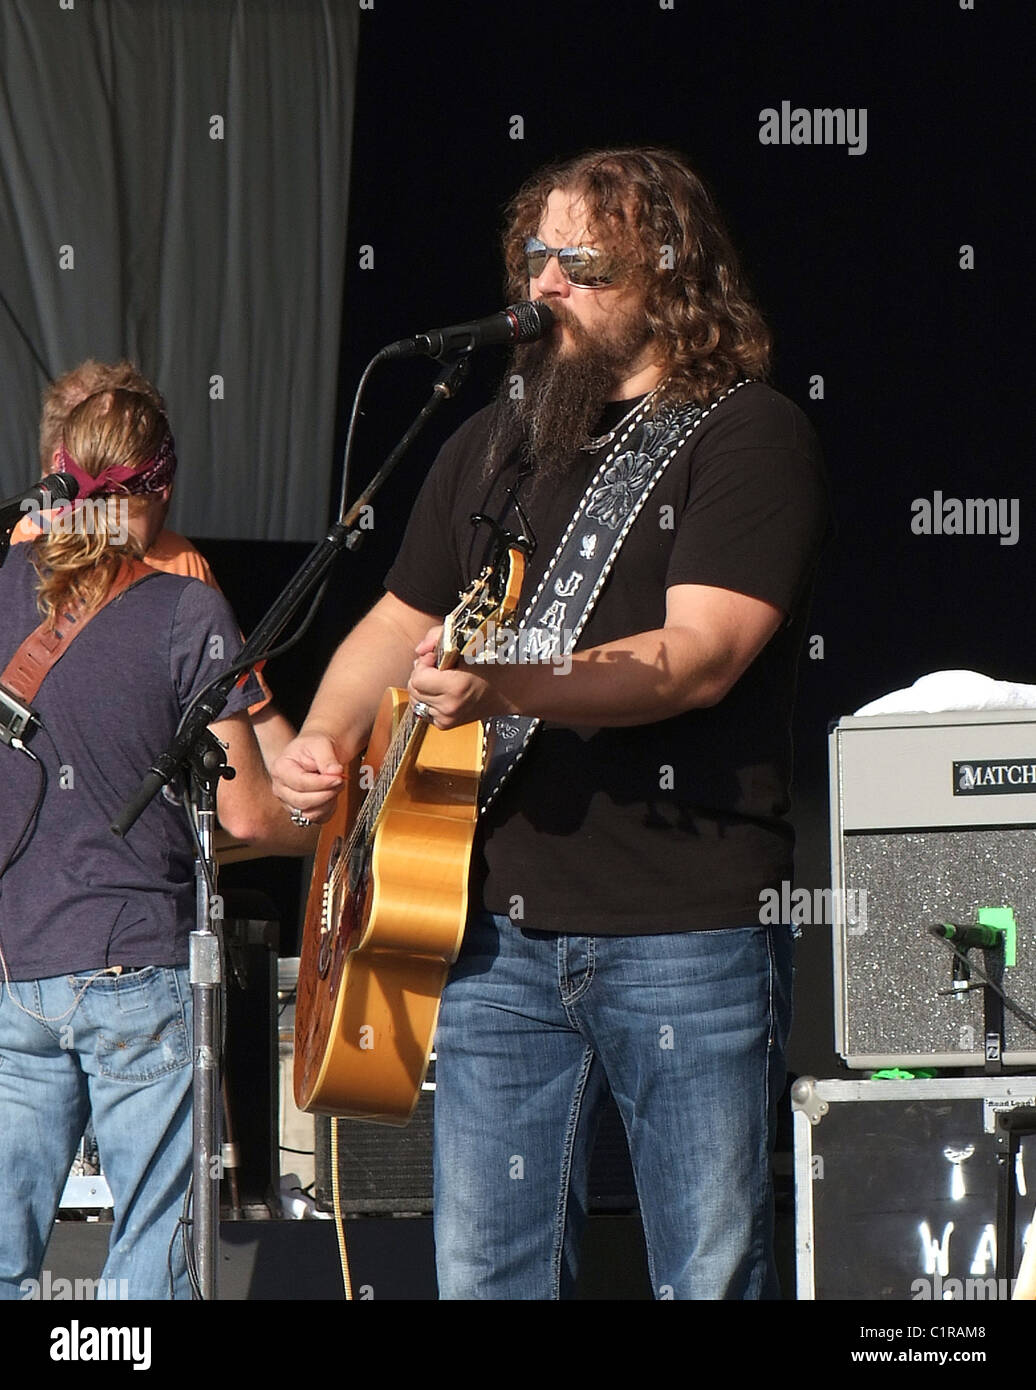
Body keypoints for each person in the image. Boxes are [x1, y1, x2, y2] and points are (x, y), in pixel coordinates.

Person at [271, 146, 829, 1299]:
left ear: (671, 281)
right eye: (537, 257)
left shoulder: (745, 434)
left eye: (585, 265)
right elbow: (397, 614)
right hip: (483, 935)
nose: (547, 286)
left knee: (706, 1271)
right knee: (486, 1274)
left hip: (682, 928)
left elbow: (694, 658)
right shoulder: (495, 442)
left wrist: (510, 683)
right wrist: (321, 735)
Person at [0, 387, 316, 1300]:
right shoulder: (187, 611)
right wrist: (338, 830)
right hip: (138, 965)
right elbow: (250, 814)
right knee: (154, 1252)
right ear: (161, 488)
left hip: (16, 971)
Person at [14, 358, 297, 774]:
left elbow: (245, 704)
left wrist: (313, 781)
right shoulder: (14, 557)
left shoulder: (181, 563)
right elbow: (247, 804)